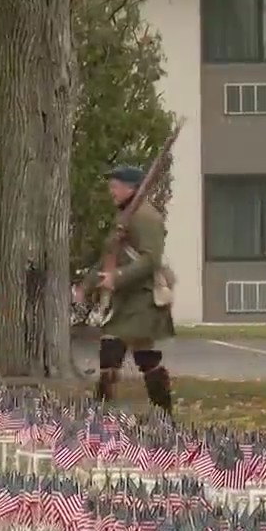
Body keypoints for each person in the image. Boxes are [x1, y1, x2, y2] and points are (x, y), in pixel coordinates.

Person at [75, 165, 175, 414]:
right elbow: (110, 256)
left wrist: (117, 277)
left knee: (120, 351)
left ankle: (158, 413)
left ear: (131, 188)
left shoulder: (146, 217)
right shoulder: (126, 216)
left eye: (115, 186)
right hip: (126, 298)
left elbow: (150, 259)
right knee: (134, 355)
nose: (111, 191)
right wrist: (86, 285)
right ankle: (109, 412)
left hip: (142, 298)